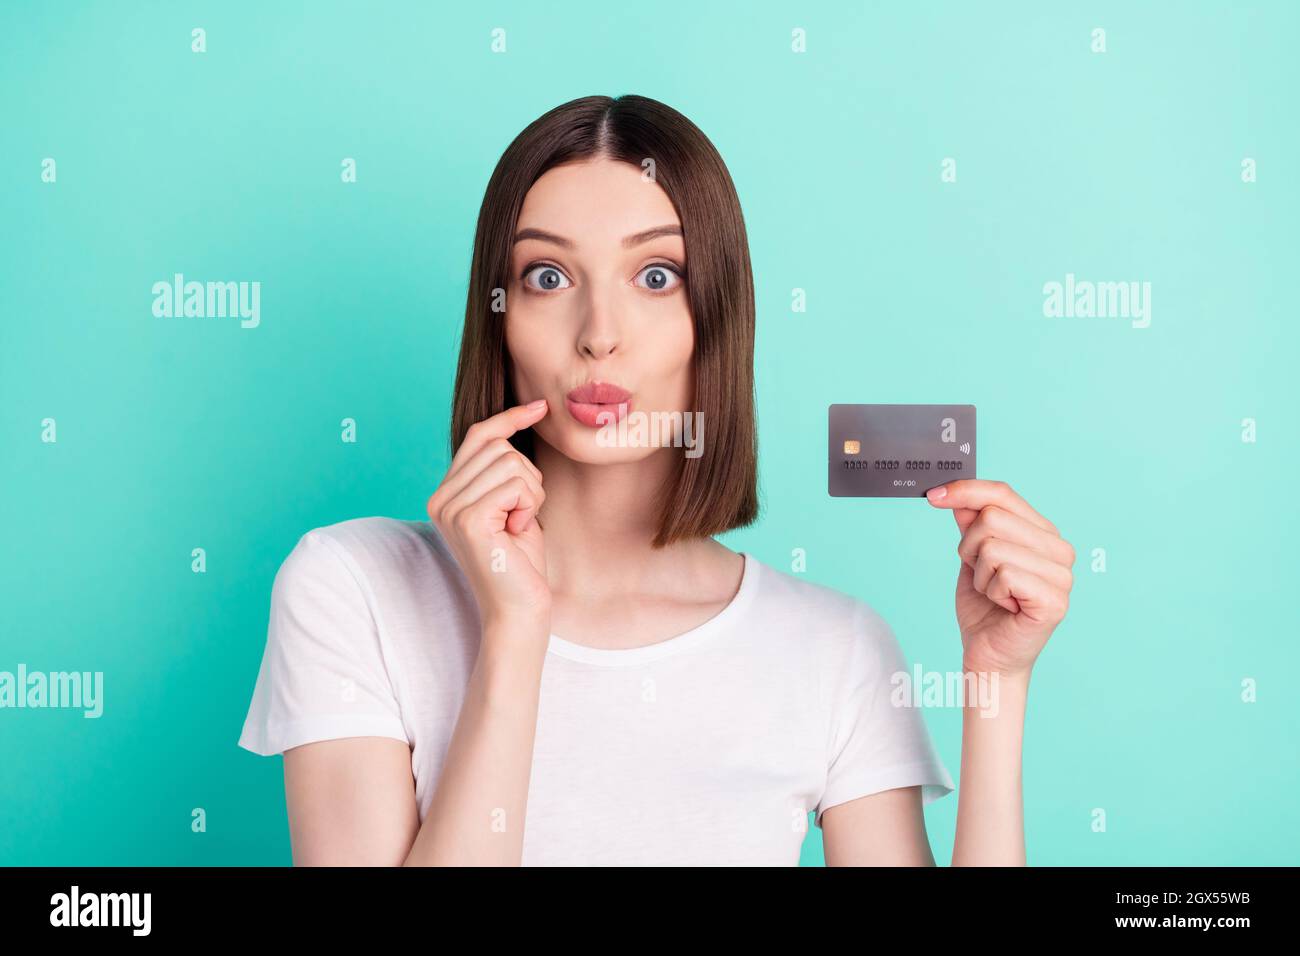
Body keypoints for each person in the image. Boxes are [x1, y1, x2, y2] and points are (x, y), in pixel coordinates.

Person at [238, 94, 1075, 866]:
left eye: (655, 277)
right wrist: (516, 632)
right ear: (499, 321)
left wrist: (997, 684)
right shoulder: (354, 588)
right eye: (548, 276)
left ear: (716, 314)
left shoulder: (836, 650)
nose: (600, 335)